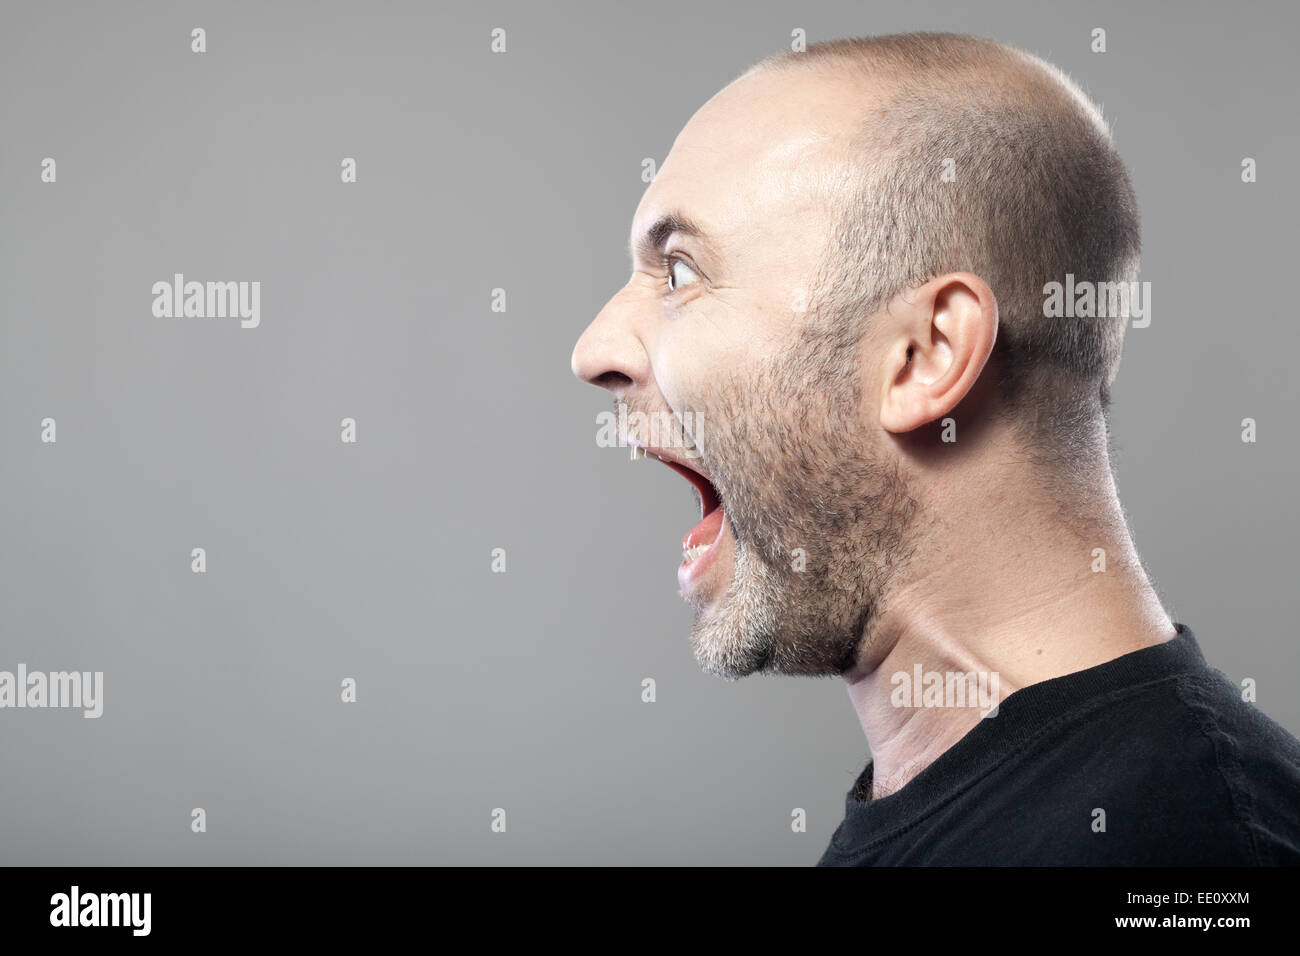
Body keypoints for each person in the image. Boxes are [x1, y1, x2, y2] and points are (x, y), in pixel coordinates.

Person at [569, 33, 1300, 865]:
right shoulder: (951, 811)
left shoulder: (1192, 852)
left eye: (678, 273)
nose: (593, 350)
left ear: (927, 355)